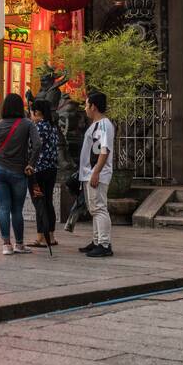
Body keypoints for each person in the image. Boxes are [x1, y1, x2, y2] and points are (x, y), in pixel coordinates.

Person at [0, 92, 40, 256]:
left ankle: (6, 245)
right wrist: (31, 164)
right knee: (17, 210)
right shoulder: (27, 124)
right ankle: (19, 244)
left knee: (3, 208)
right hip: (19, 171)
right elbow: (37, 144)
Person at [77, 91, 115, 258]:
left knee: (99, 208)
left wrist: (96, 172)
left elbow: (103, 150)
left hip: (96, 173)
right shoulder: (97, 125)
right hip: (91, 172)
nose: (85, 108)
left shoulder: (102, 125)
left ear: (94, 106)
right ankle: (97, 240)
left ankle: (104, 243)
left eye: (87, 105)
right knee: (94, 208)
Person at [27, 100, 60, 249]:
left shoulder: (38, 127)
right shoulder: (53, 127)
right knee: (48, 202)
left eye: (32, 111)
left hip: (38, 171)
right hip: (51, 170)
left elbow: (32, 147)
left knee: (39, 202)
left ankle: (41, 237)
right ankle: (51, 236)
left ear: (37, 112)